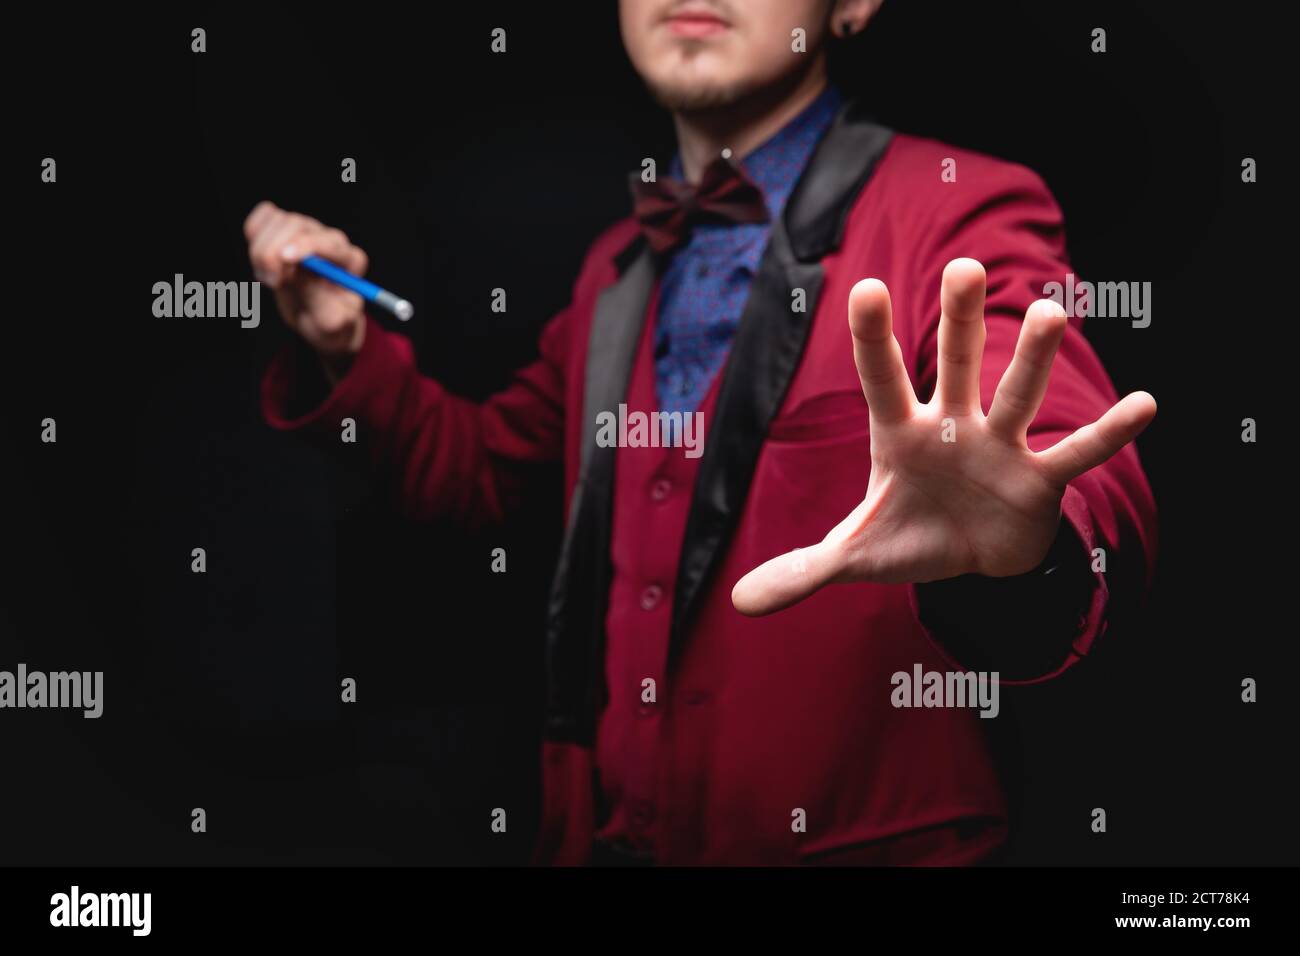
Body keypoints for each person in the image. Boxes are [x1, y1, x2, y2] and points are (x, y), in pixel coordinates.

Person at [246, 0, 1157, 865]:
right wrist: (345, 348)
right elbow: (475, 476)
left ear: (853, 4)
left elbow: (1058, 447)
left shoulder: (961, 207)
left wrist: (1034, 537)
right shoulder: (614, 265)